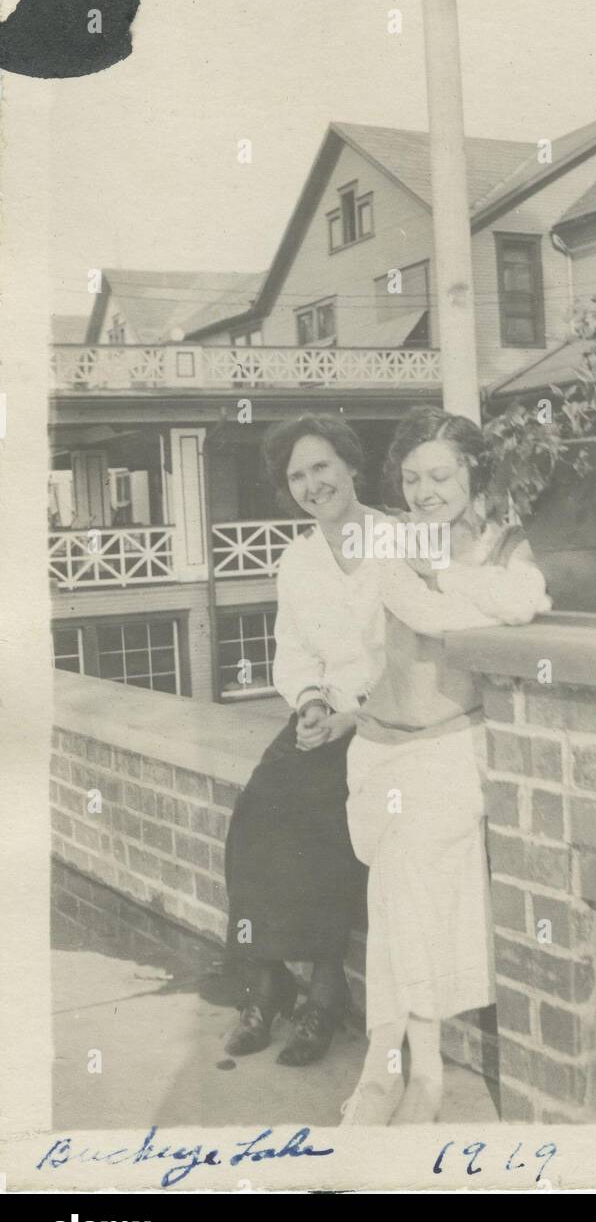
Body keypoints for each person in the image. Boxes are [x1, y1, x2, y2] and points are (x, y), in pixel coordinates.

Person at [342, 406, 551, 1124]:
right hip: (376, 754)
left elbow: (529, 598)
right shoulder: (390, 542)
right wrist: (457, 584)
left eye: (439, 474)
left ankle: (392, 1068)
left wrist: (447, 577)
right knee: (410, 896)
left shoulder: (505, 539)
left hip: (450, 749)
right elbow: (436, 620)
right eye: (410, 478)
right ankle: (417, 1067)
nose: (424, 491)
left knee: (401, 883)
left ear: (471, 471)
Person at [223, 414, 388, 1066]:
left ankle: (326, 990)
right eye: (298, 475)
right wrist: (312, 703)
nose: (313, 483)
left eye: (322, 466)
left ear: (351, 463)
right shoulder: (297, 560)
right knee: (255, 814)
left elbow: (418, 651)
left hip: (386, 718)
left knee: (325, 822)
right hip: (326, 719)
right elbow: (292, 654)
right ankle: (267, 979)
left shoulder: (400, 540)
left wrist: (356, 713)